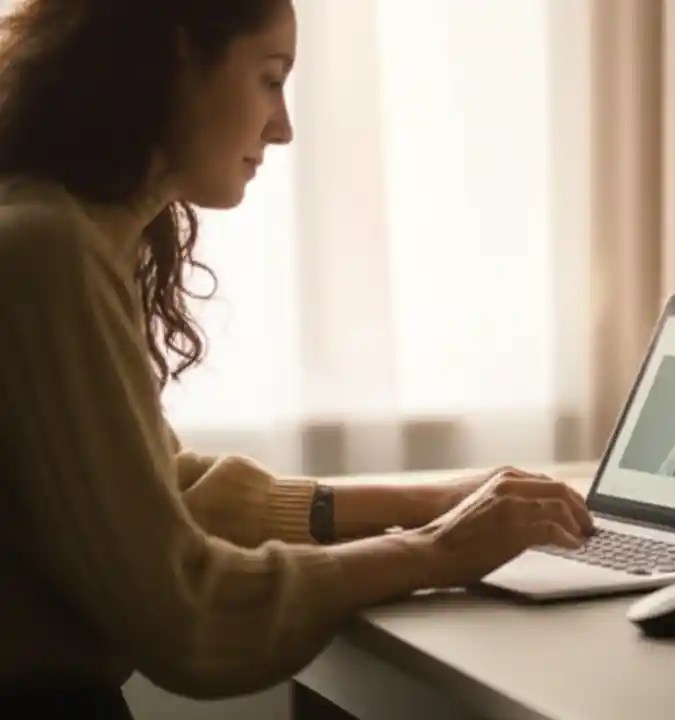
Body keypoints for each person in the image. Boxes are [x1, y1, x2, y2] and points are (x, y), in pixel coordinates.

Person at [0, 1, 592, 715]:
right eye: (270, 80)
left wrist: (430, 499)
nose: (282, 128)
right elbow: (189, 616)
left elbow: (165, 492)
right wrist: (438, 549)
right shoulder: (45, 251)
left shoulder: (60, 229)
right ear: (175, 60)